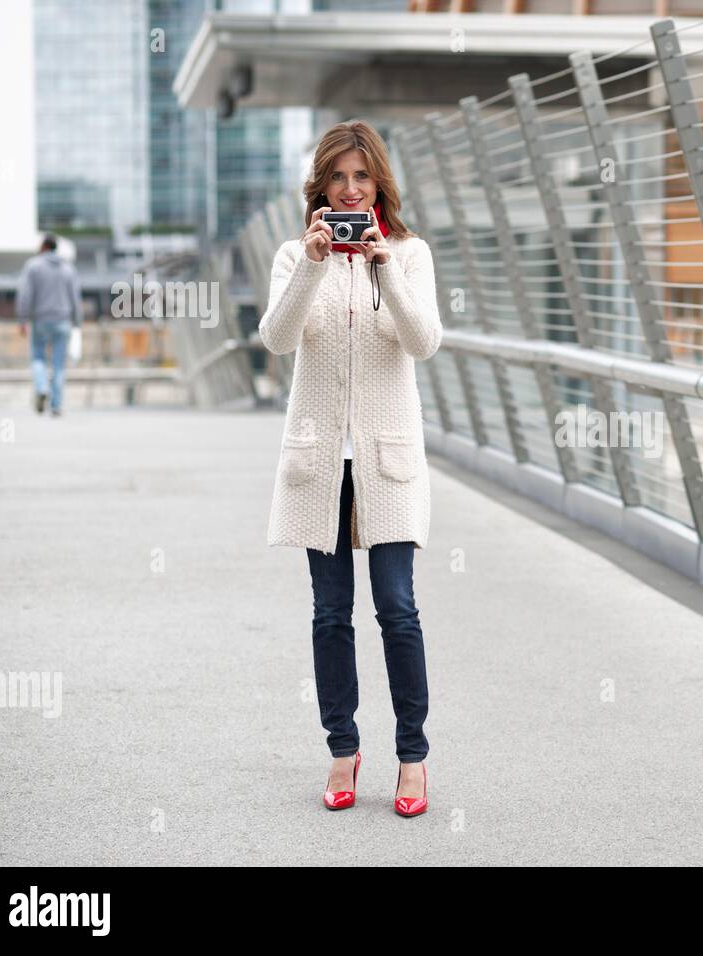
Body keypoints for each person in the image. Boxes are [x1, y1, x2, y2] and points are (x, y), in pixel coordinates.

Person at [258, 120, 443, 818]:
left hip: (387, 461)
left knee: (396, 609)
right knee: (331, 614)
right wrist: (312, 264)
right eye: (338, 177)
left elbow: (424, 342)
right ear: (321, 187)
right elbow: (276, 339)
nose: (350, 189)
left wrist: (382, 267)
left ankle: (412, 758)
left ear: (379, 184)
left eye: (362, 177)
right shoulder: (293, 254)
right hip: (318, 465)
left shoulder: (409, 254)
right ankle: (343, 748)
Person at [16, 234, 81, 416]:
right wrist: (77, 322)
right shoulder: (68, 269)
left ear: (44, 246)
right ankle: (56, 405)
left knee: (38, 357)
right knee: (59, 364)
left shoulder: (33, 266)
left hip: (40, 320)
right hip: (63, 321)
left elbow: (25, 295)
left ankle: (42, 387)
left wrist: (22, 319)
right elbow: (75, 298)